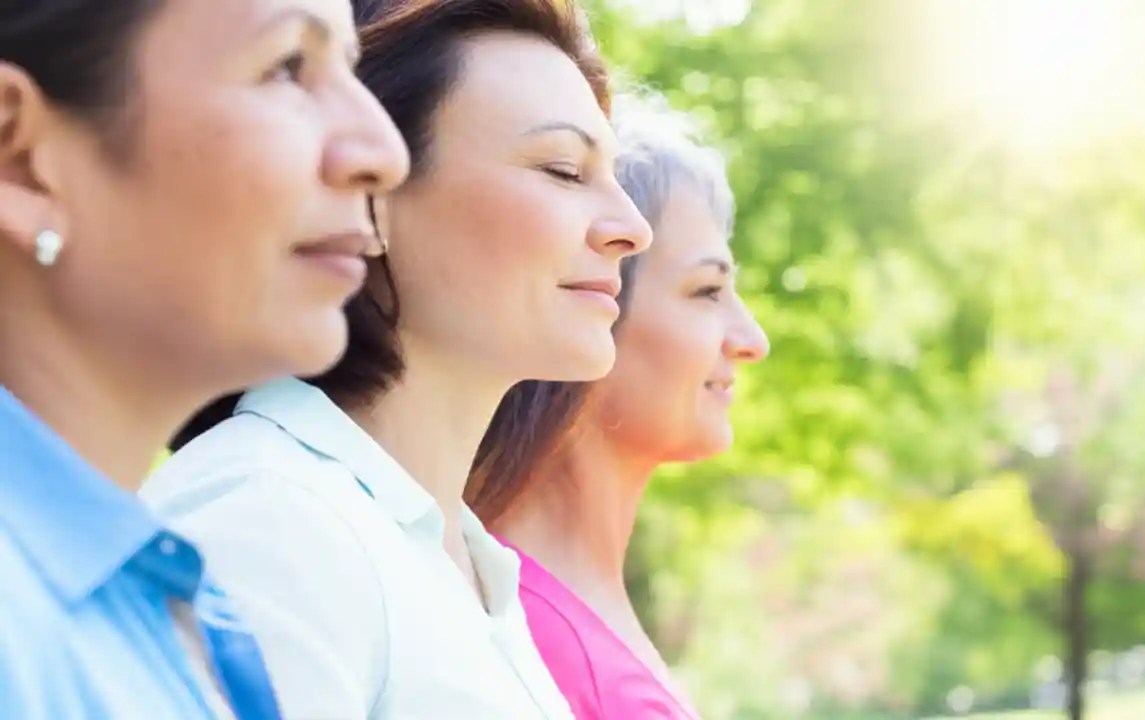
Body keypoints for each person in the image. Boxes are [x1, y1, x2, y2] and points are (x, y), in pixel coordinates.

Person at [142, 0, 652, 717]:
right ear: (368, 195)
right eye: (564, 170)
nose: (632, 229)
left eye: (617, 177)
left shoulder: (468, 566)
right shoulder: (271, 524)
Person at [0, 0, 408, 718]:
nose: (385, 152)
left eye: (350, 69)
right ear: (21, 159)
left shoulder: (187, 615)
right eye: (287, 67)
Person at [469, 90, 770, 720]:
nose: (751, 341)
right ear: (594, 299)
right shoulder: (525, 630)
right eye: (707, 291)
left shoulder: (561, 605)